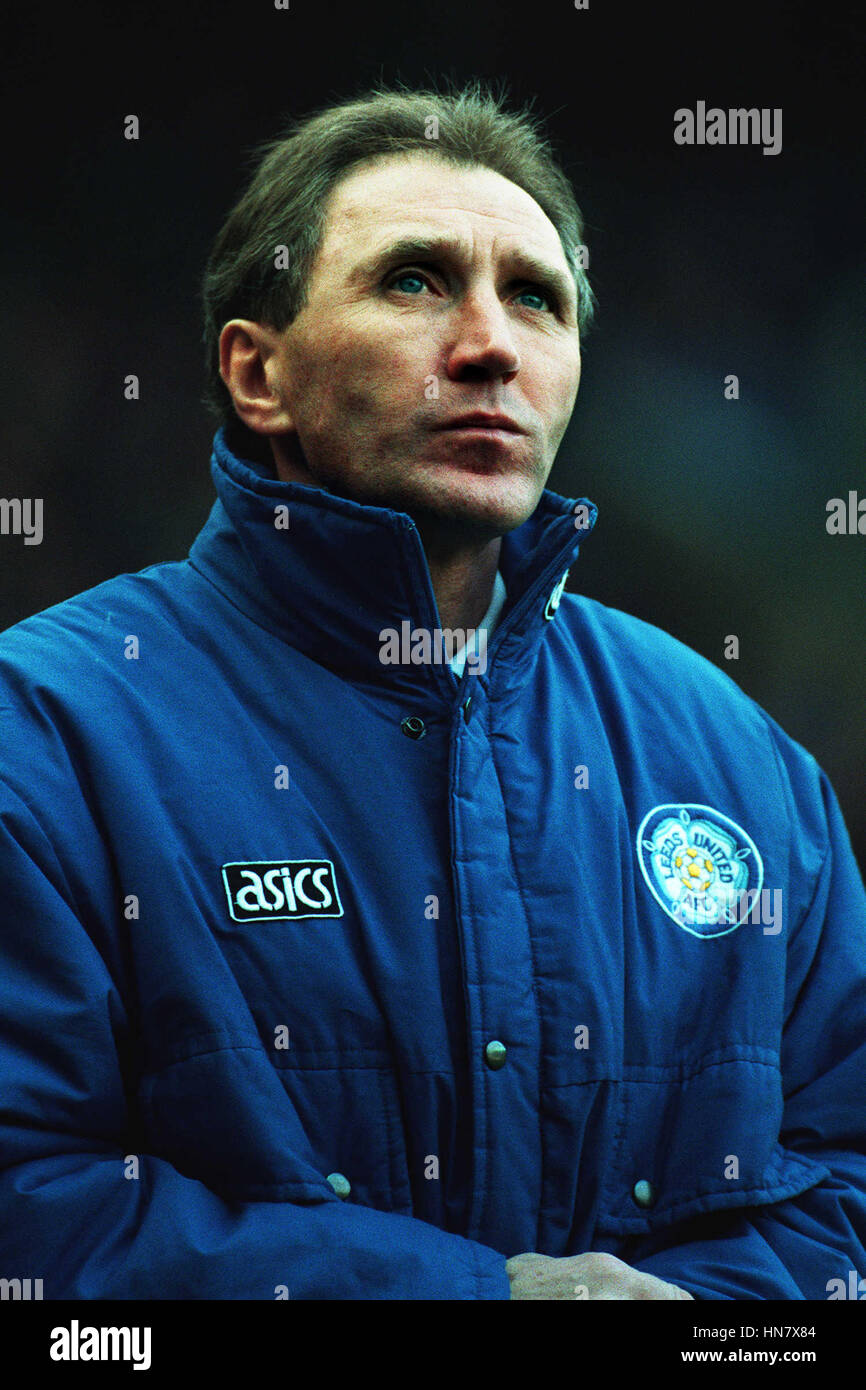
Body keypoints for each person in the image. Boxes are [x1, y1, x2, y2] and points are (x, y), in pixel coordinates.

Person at [0, 83, 863, 1302]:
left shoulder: (742, 764)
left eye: (534, 297)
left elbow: (845, 1184)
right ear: (260, 376)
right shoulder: (47, 737)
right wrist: (475, 1300)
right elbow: (29, 1208)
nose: (488, 344)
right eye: (412, 281)